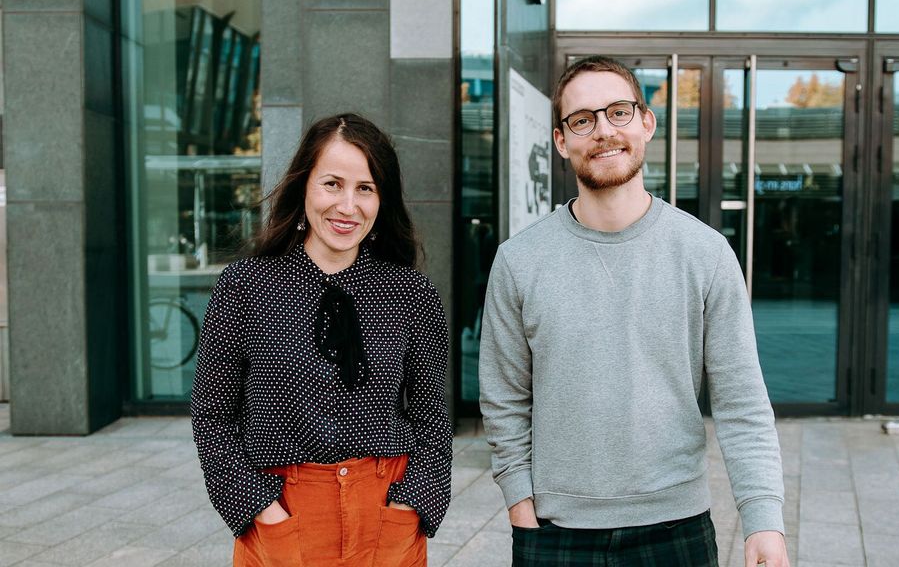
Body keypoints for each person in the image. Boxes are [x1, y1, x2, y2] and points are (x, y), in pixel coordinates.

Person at [479, 56, 789, 567]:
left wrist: (763, 519)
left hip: (676, 530)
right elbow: (504, 396)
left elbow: (742, 402)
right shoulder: (519, 260)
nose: (603, 130)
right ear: (561, 141)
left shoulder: (705, 253)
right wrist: (519, 501)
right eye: (582, 119)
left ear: (646, 122)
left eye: (618, 112)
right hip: (555, 532)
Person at [192, 113, 452, 567]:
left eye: (365, 188)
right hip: (283, 514)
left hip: (386, 514)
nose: (347, 206)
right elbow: (213, 415)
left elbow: (431, 419)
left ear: (382, 198)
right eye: (332, 183)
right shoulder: (245, 286)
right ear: (304, 186)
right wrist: (261, 511)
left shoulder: (412, 293)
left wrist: (410, 506)